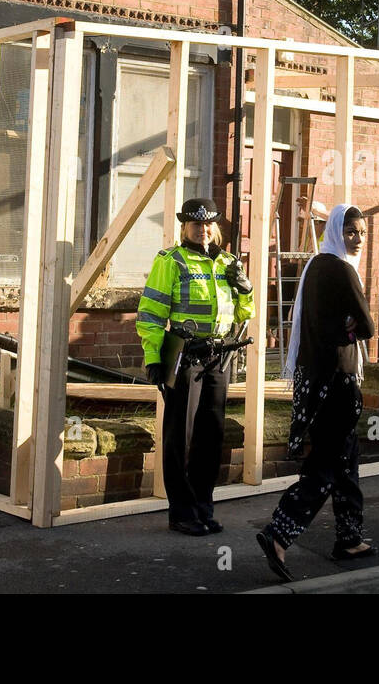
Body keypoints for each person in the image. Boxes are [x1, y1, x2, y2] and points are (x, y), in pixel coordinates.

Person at [256, 204, 376, 582]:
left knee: (345, 464)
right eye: (351, 231)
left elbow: (327, 324)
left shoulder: (315, 266)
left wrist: (346, 325)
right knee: (326, 466)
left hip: (315, 382)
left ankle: (349, 538)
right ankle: (279, 532)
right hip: (338, 383)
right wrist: (351, 327)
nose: (356, 239)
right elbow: (368, 326)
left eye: (361, 232)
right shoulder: (341, 270)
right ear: (338, 232)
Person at [135, 198, 253, 537]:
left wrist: (244, 288)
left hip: (219, 357)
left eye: (207, 224)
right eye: (195, 224)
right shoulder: (171, 261)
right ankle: (181, 512)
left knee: (210, 437)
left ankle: (203, 506)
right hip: (186, 357)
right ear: (184, 227)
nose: (202, 230)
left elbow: (246, 313)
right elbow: (152, 314)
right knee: (179, 437)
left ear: (215, 227)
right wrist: (154, 358)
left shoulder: (228, 263)